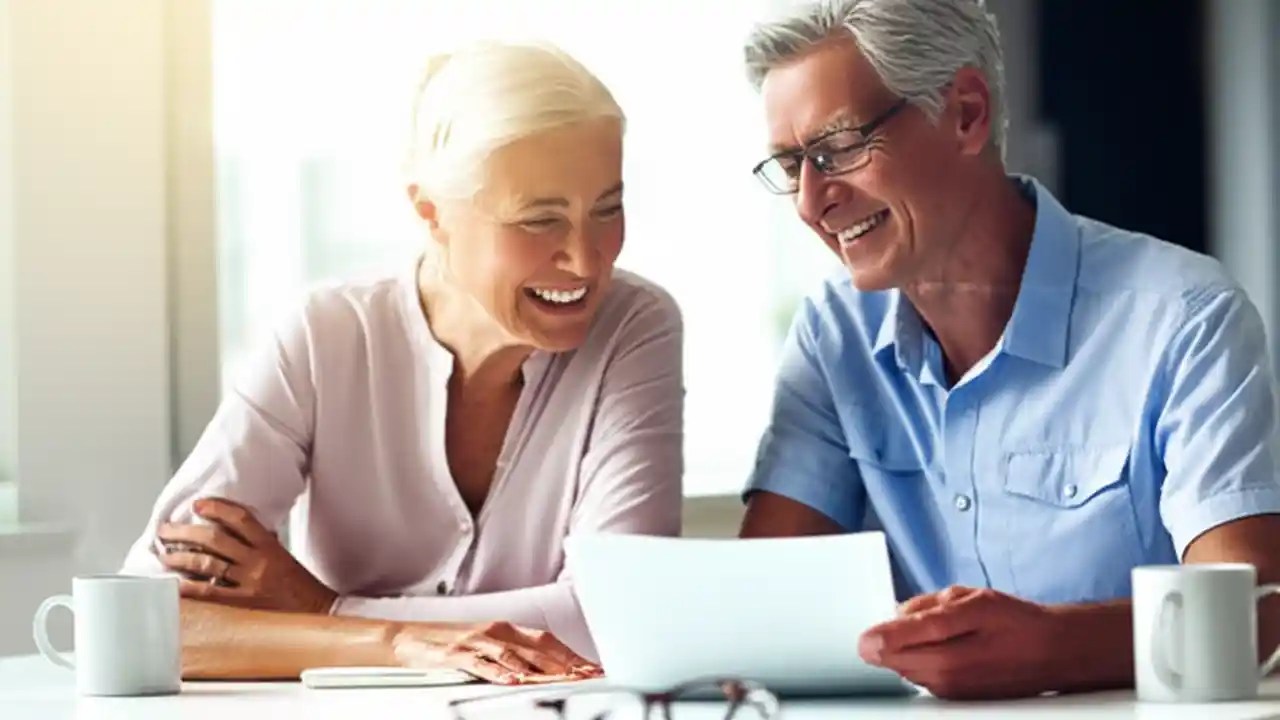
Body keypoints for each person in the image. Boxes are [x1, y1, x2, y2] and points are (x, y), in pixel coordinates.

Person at [737, 0, 1280, 700]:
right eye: (790, 164)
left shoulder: (1182, 315)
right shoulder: (831, 335)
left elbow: (1253, 609)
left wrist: (1056, 647)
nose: (812, 203)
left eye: (838, 148)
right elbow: (755, 609)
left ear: (967, 112)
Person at [120, 40, 684, 685]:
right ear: (432, 213)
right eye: (539, 220)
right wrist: (393, 642)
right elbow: (151, 620)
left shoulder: (634, 325)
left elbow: (620, 614)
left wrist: (322, 610)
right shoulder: (323, 336)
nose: (586, 261)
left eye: (606, 209)